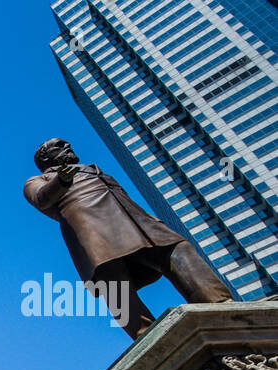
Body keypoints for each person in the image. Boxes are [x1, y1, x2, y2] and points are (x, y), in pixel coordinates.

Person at [24, 138, 231, 338]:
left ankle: (220, 304)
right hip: (93, 228)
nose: (67, 146)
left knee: (177, 250)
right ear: (45, 156)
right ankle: (145, 334)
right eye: (59, 145)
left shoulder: (94, 169)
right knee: (113, 283)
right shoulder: (37, 181)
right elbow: (41, 199)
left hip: (136, 221)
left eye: (67, 143)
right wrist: (62, 180)